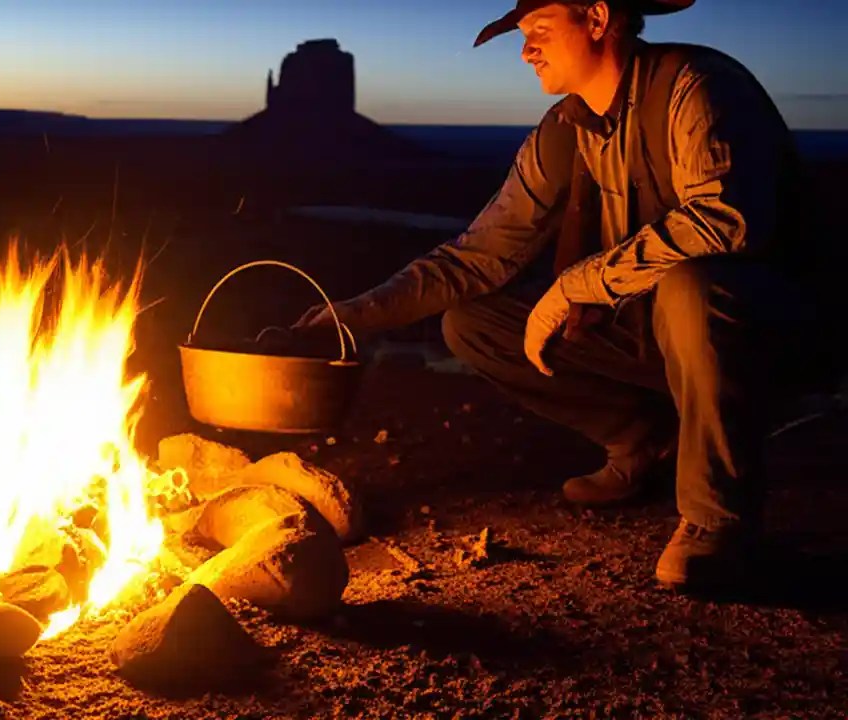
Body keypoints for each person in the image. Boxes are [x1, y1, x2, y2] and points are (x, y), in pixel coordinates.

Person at [295, 0, 831, 591]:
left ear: (598, 20)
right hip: (654, 334)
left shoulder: (696, 86)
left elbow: (726, 220)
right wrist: (347, 318)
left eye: (540, 32)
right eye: (522, 37)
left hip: (772, 332)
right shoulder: (565, 129)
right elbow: (476, 258)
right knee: (472, 322)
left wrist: (578, 282)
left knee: (688, 285)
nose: (526, 51)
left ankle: (716, 523)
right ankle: (641, 441)